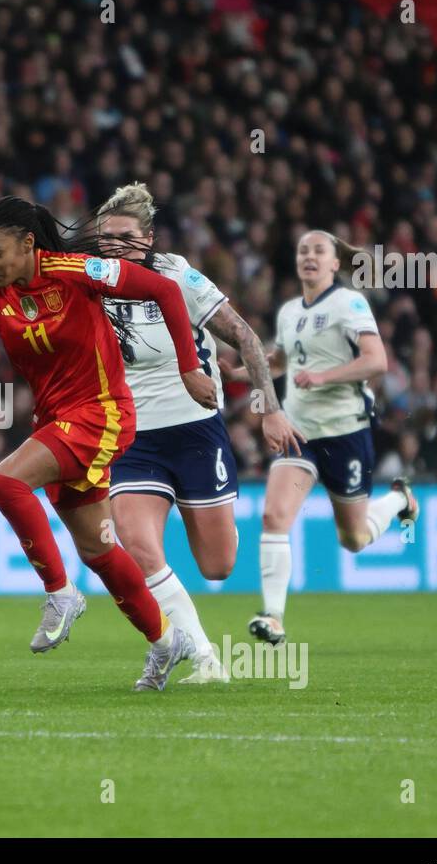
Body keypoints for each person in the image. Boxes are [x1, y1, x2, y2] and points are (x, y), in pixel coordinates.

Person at [0, 196, 217, 691]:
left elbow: (163, 290)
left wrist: (189, 368)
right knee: (99, 550)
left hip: (103, 412)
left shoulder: (77, 271)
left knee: (4, 482)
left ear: (28, 243)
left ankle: (60, 593)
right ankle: (166, 642)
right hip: (56, 421)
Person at [95, 182, 304, 682]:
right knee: (137, 544)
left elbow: (247, 338)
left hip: (195, 432)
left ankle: (215, 525)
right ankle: (197, 652)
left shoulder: (179, 276)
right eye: (106, 239)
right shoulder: (92, 282)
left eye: (126, 238)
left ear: (148, 239)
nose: (115, 248)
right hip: (132, 438)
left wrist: (269, 409)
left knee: (217, 566)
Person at [225, 230, 418, 645]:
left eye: (319, 251)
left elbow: (376, 360)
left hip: (346, 432)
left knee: (354, 539)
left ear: (334, 263)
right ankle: (273, 616)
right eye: (303, 251)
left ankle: (400, 499)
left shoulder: (349, 303)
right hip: (300, 432)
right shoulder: (290, 311)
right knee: (274, 516)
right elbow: (279, 361)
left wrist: (324, 377)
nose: (309, 257)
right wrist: (236, 374)